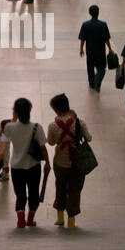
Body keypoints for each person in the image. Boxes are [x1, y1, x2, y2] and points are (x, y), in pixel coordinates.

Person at [1, 97, 49, 228]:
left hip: (16, 167)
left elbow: (4, 144)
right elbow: (42, 147)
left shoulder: (9, 127)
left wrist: (14, 117)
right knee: (33, 194)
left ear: (15, 112)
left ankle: (20, 221)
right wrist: (48, 163)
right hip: (33, 167)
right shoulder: (37, 127)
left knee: (20, 195)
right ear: (30, 110)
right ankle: (30, 220)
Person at [47, 93, 90, 229]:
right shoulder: (79, 122)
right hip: (77, 163)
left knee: (60, 187)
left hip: (60, 161)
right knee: (74, 190)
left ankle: (60, 218)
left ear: (56, 109)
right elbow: (88, 138)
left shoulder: (53, 125)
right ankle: (71, 220)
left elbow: (51, 142)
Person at [78, 5, 114, 91]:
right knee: (101, 68)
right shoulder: (103, 24)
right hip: (100, 51)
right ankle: (97, 80)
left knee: (90, 69)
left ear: (89, 13)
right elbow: (106, 39)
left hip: (90, 51)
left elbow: (83, 38)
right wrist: (110, 48)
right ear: (98, 13)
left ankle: (92, 83)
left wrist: (81, 49)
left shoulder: (85, 25)